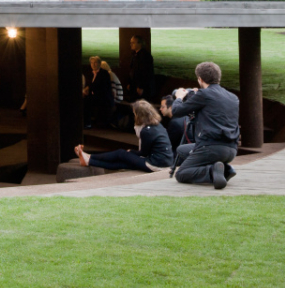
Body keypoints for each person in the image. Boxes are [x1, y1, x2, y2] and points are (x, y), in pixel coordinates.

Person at [170, 61, 241, 189]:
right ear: (218, 78)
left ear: (200, 79)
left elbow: (176, 111)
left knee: (181, 174)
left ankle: (213, 171)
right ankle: (225, 168)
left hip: (211, 148)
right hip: (231, 150)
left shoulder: (204, 95)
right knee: (181, 150)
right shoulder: (233, 97)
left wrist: (179, 97)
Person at [75, 100, 174, 173]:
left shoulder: (146, 131)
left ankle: (90, 157)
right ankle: (88, 160)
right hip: (164, 162)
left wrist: (131, 152)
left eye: (135, 113)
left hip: (155, 164)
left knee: (121, 153)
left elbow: (143, 153)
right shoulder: (157, 124)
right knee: (123, 163)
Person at [128, 34, 156, 102]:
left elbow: (146, 72)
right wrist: (130, 83)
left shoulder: (145, 56)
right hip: (135, 86)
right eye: (130, 42)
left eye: (133, 43)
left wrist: (141, 86)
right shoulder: (135, 55)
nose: (131, 44)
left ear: (139, 43)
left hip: (142, 88)